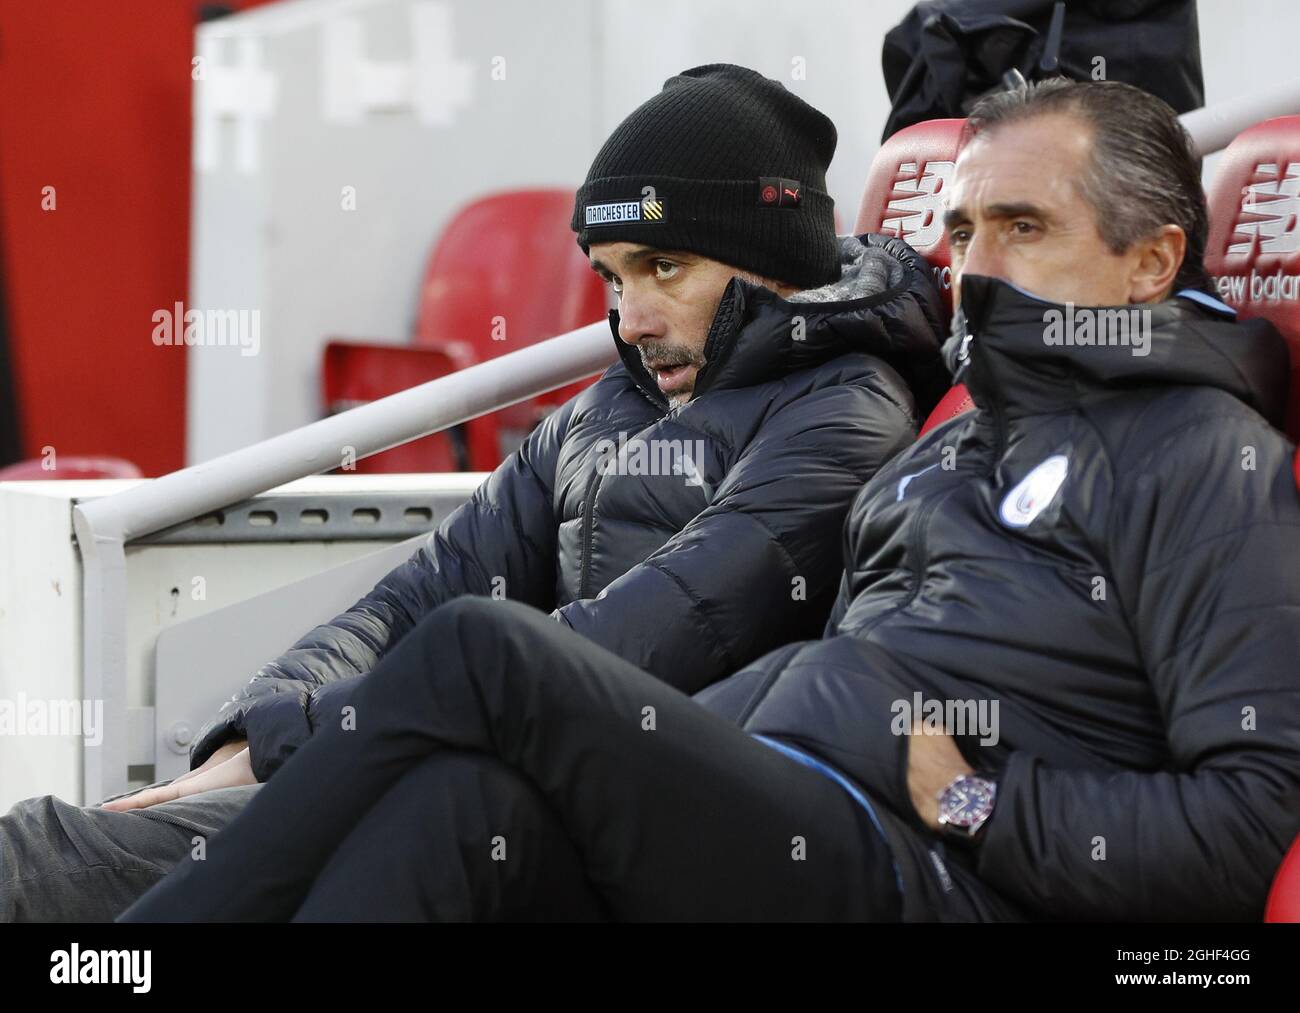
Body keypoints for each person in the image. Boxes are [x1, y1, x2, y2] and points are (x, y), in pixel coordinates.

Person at [124, 75, 1300, 924]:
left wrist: (984, 802)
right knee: (461, 802)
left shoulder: (1200, 455)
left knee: (484, 652)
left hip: (929, 872)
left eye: (1022, 228)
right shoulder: (957, 441)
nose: (971, 265)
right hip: (785, 809)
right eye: (959, 228)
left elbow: (1248, 821)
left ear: (1149, 263)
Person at [0, 64, 947, 922]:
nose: (633, 318)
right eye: (613, 278)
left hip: (595, 819)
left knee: (50, 866)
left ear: (777, 258)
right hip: (471, 761)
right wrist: (263, 719)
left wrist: (292, 742)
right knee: (39, 854)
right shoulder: (602, 411)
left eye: (667, 267)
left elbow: (635, 643)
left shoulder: (844, 416)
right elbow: (423, 593)